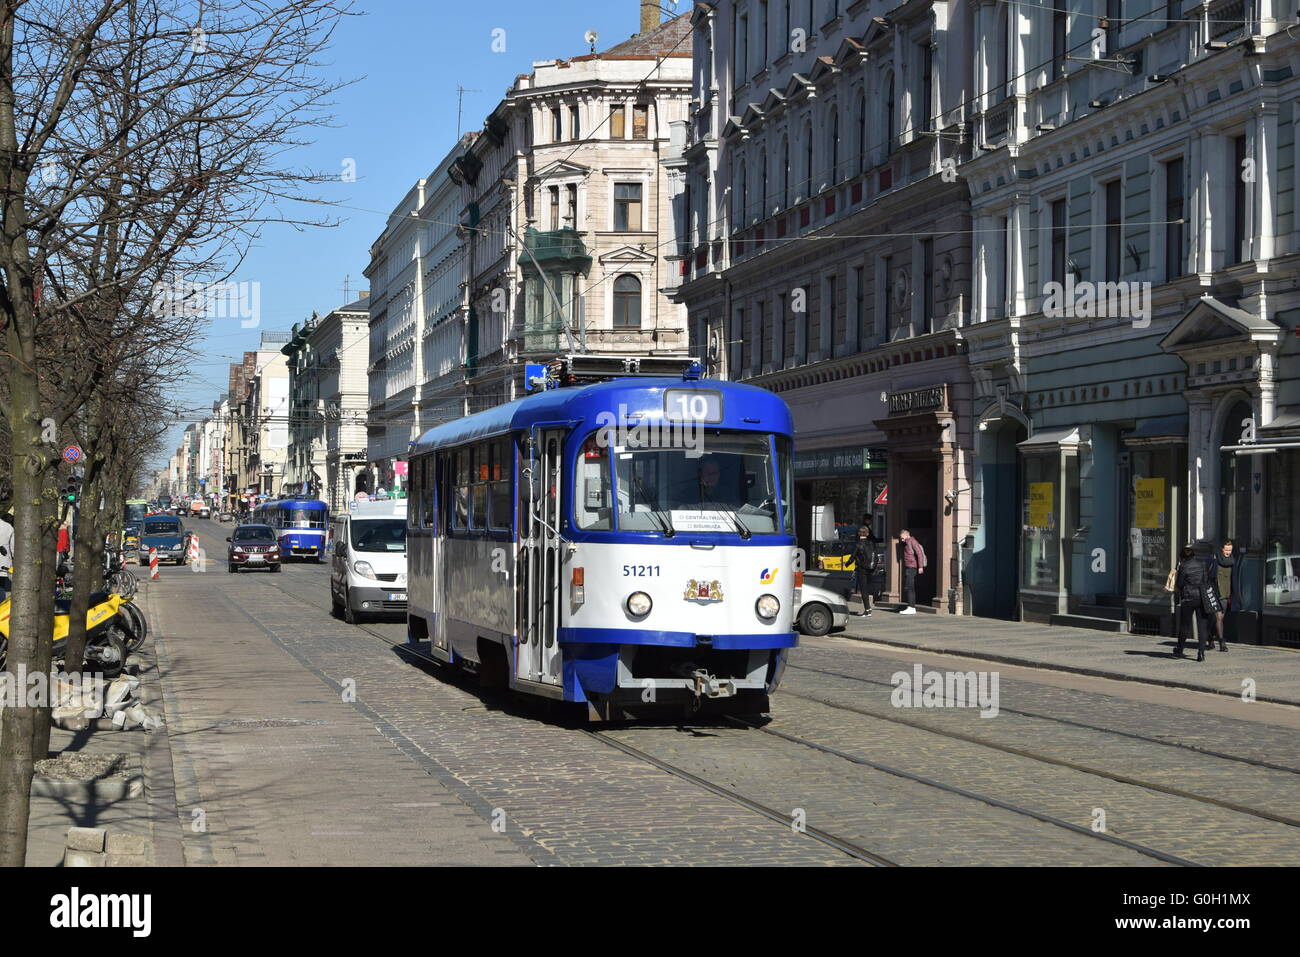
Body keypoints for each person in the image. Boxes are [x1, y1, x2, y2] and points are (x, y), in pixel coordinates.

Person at [1174, 543, 1211, 662]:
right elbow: (1205, 581)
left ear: (1182, 556)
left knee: (1185, 625)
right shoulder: (1202, 564)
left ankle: (1179, 650)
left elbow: (1179, 584)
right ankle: (1201, 653)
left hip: (1188, 598)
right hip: (1202, 598)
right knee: (1202, 626)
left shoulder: (1184, 566)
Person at [1206, 538, 1243, 652]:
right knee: (1219, 617)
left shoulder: (1233, 561)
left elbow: (1235, 579)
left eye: (1230, 550)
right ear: (1222, 549)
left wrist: (1234, 594)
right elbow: (1208, 575)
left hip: (1226, 594)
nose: (1228, 552)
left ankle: (1210, 637)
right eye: (1226, 550)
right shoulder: (1214, 559)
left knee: (1219, 618)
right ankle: (1222, 642)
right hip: (1215, 593)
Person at [851, 521, 878, 617]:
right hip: (871, 568)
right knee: (867, 587)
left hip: (861, 569)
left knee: (863, 590)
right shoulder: (871, 543)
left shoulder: (858, 544)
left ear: (859, 534)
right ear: (867, 533)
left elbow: (853, 555)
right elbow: (875, 555)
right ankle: (869, 608)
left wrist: (848, 563)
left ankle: (867, 609)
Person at [898, 529, 926, 615]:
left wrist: (920, 566)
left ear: (906, 535)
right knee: (910, 587)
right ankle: (911, 607)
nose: (902, 540)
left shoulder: (912, 541)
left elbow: (919, 553)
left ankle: (911, 607)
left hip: (912, 567)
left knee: (909, 587)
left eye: (902, 538)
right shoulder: (907, 542)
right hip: (910, 566)